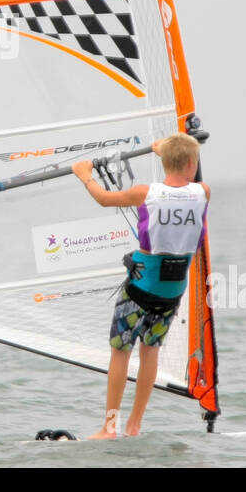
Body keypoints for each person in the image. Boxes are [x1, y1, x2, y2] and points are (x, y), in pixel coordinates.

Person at [71, 134, 209, 439]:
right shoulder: (203, 192)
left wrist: (85, 177)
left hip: (140, 289)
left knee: (120, 351)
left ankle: (109, 427)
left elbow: (104, 199)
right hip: (172, 294)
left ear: (164, 161)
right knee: (150, 351)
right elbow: (190, 181)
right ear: (191, 163)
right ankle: (135, 425)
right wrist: (171, 152)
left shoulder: (145, 193)